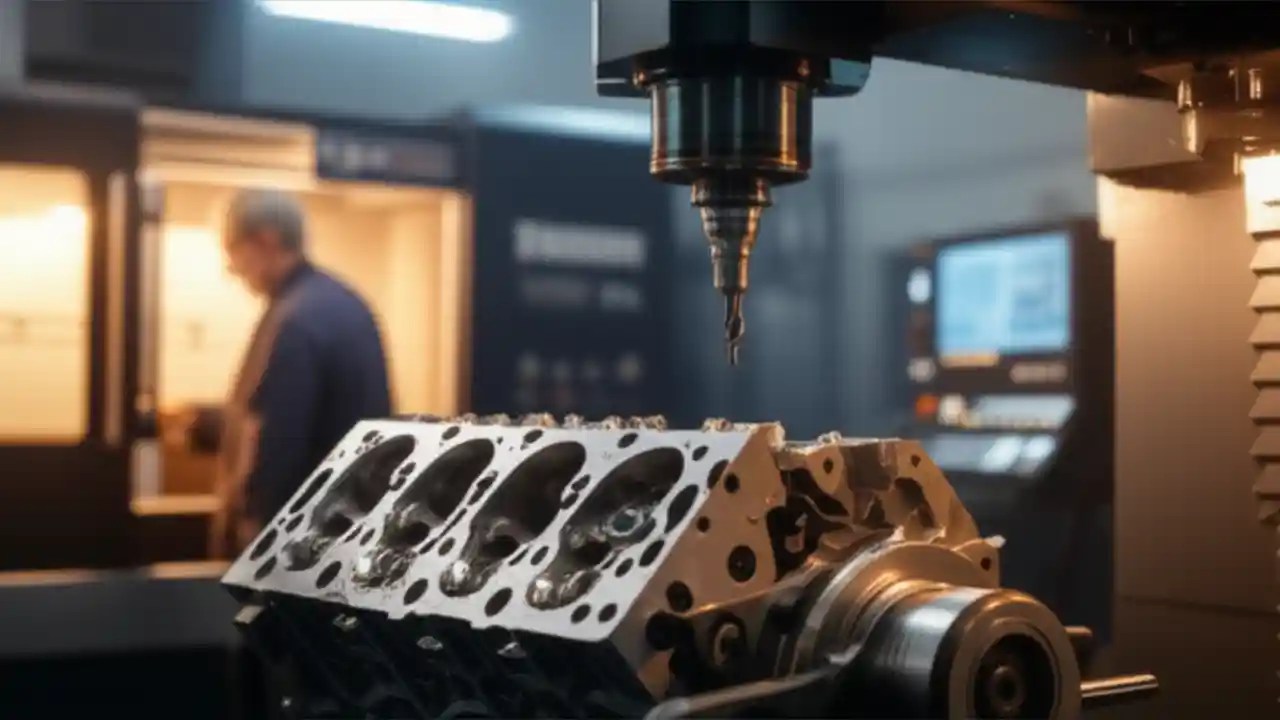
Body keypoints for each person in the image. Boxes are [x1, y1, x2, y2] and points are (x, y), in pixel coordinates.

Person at [211, 188, 391, 557]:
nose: (234, 270)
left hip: (298, 545)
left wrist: (254, 545)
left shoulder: (295, 321)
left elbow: (276, 442)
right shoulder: (344, 303)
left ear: (266, 240)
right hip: (349, 533)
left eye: (234, 254)